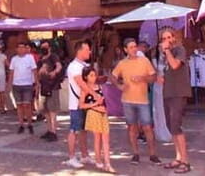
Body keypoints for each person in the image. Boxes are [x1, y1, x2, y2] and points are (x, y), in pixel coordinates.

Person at [111, 38, 161, 166]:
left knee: (147, 128)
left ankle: (152, 154)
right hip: (127, 100)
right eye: (131, 47)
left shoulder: (144, 61)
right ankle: (135, 154)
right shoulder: (122, 63)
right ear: (125, 50)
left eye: (135, 46)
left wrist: (143, 78)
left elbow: (154, 77)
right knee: (132, 128)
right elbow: (113, 76)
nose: (134, 49)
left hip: (142, 100)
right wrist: (119, 86)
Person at [159, 28, 192, 173]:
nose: (166, 40)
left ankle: (185, 161)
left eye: (168, 37)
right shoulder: (165, 55)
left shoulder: (179, 50)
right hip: (168, 93)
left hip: (178, 93)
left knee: (177, 126)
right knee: (171, 126)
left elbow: (175, 65)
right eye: (163, 38)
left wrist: (167, 51)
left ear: (173, 38)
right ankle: (178, 157)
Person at [80, 66, 114, 172]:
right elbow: (81, 105)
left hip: (103, 113)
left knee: (105, 139)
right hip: (94, 113)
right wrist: (94, 104)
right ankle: (99, 160)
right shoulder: (85, 89)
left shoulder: (99, 87)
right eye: (91, 75)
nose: (94, 77)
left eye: (94, 75)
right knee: (97, 138)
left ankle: (107, 162)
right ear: (86, 77)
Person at [66, 40, 94, 169]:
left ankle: (84, 155)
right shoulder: (74, 67)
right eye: (87, 49)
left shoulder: (83, 65)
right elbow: (82, 84)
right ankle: (71, 157)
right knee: (74, 130)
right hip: (76, 104)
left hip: (85, 103)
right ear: (79, 51)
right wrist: (96, 96)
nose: (90, 52)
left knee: (83, 130)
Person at [9, 41, 38, 134]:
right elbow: (11, 72)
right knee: (19, 105)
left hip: (27, 84)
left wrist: (36, 83)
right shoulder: (14, 59)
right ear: (16, 49)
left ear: (26, 49)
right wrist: (9, 83)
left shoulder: (30, 58)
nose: (21, 49)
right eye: (19, 47)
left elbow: (34, 70)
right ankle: (21, 124)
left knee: (27, 105)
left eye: (23, 47)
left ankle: (29, 123)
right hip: (16, 84)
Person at [38, 40, 63, 142]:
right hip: (44, 87)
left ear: (49, 48)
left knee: (52, 111)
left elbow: (59, 66)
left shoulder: (53, 56)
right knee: (46, 110)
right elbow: (38, 72)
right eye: (42, 47)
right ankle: (49, 130)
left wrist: (54, 72)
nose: (44, 49)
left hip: (53, 86)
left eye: (46, 47)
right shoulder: (40, 60)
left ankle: (54, 132)